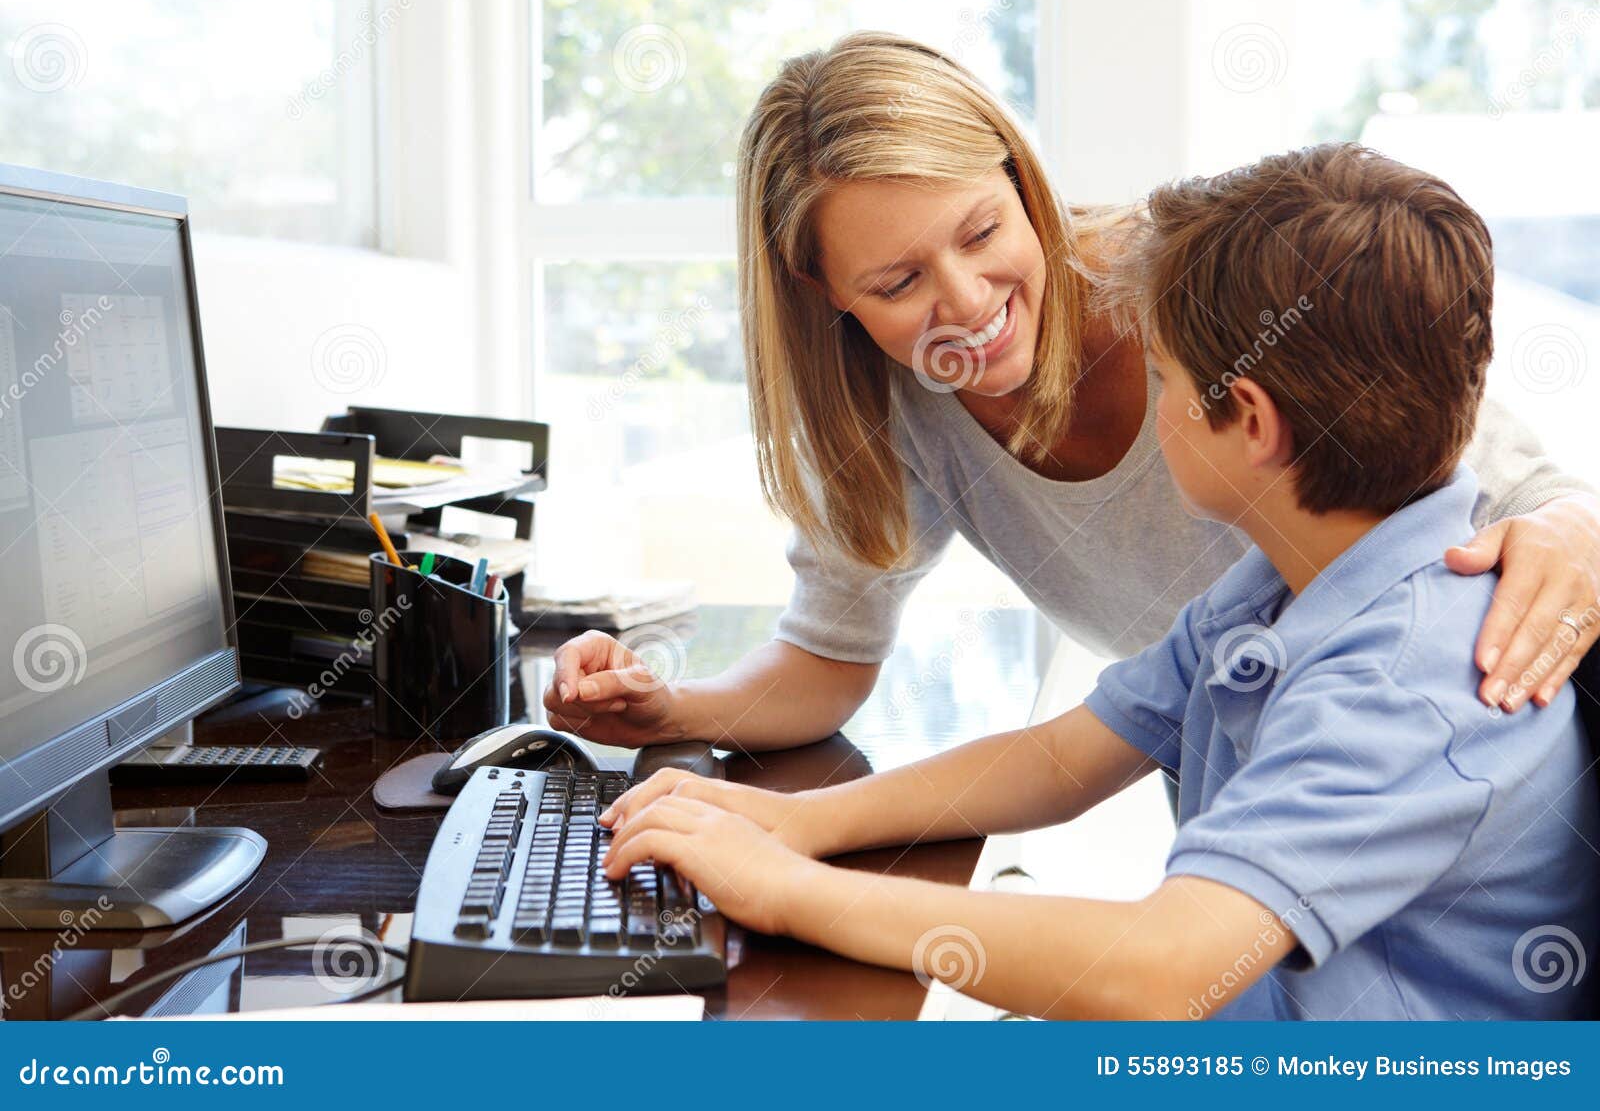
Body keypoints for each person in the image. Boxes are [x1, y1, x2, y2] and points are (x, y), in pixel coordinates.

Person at [595, 144, 1600, 1020]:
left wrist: (784, 890)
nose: (1144, 403)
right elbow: (1064, 757)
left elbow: (1163, 970)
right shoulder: (1277, 585)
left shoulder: (1407, 679)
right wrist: (791, 821)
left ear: (1248, 420)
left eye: (1164, 377)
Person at [544, 31, 1599, 758]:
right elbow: (829, 655)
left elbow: (1525, 489)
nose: (969, 304)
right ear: (824, 293)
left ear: (1020, 178)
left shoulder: (1187, 281)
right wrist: (670, 708)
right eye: (897, 284)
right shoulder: (885, 408)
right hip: (1235, 761)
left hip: (1419, 744)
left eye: (981, 231)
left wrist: (1570, 529)